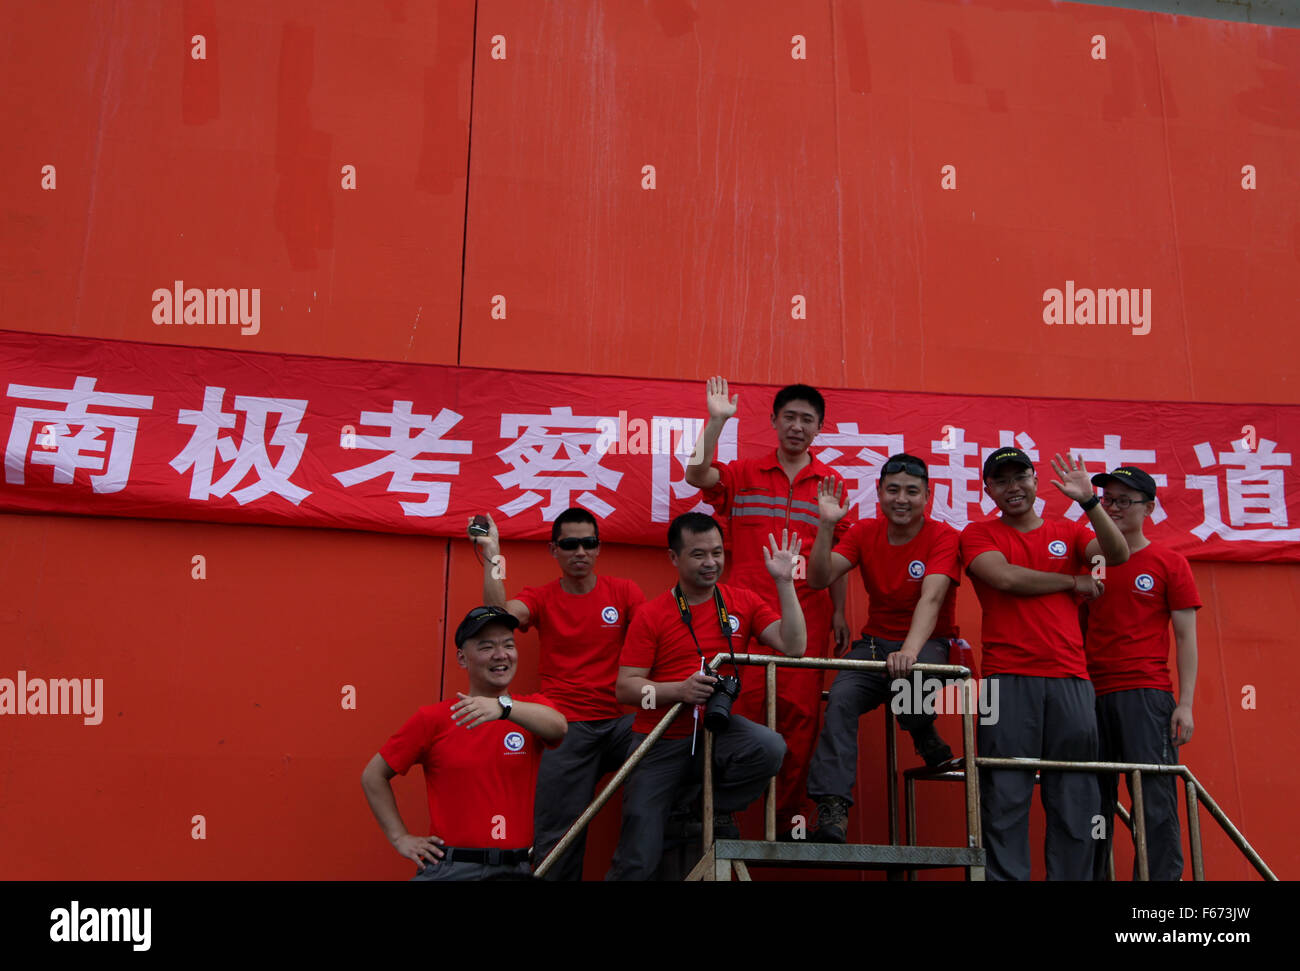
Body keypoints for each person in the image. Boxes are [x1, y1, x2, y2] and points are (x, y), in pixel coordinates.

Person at [684, 376, 853, 837]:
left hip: (808, 621)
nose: (798, 426)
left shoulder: (832, 485)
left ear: (820, 428)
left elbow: (837, 552)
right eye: (790, 417)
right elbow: (697, 475)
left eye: (808, 420)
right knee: (735, 716)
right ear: (775, 421)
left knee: (800, 724)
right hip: (744, 619)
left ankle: (790, 825)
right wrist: (716, 421)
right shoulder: (742, 474)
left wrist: (840, 611)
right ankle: (719, 816)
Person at [959, 448, 1129, 880]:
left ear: (1036, 482)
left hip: (1071, 678)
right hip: (1008, 678)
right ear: (988, 490)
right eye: (1002, 481)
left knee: (1076, 797)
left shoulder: (1069, 532)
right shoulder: (978, 533)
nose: (1013, 488)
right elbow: (1006, 578)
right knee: (1005, 795)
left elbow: (1117, 554)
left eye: (1021, 478)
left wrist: (1090, 502)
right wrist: (1073, 581)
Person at [605, 513, 805, 880]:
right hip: (659, 740)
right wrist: (677, 691)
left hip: (717, 732)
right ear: (674, 558)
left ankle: (706, 806)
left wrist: (784, 583)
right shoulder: (651, 614)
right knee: (638, 856)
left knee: (769, 746)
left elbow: (794, 646)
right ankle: (684, 809)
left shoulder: (742, 600)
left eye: (717, 552)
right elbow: (627, 687)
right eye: (698, 554)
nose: (711, 563)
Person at [472, 507, 646, 880]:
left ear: (599, 549)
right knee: (558, 835)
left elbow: (657, 638)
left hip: (621, 723)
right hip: (564, 727)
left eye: (589, 543)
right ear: (554, 550)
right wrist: (492, 557)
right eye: (570, 544)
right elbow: (497, 615)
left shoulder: (625, 592)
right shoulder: (542, 597)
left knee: (664, 776)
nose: (580, 551)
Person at [804, 454, 962, 842]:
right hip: (873, 645)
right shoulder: (862, 532)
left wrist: (909, 651)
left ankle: (921, 727)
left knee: (911, 681)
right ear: (878, 493)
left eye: (912, 491)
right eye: (893, 490)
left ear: (928, 494)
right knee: (840, 698)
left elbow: (932, 598)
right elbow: (819, 577)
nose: (901, 499)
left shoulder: (944, 536)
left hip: (927, 643)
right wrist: (826, 526)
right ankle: (833, 807)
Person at [360, 606, 567, 881]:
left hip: (514, 868)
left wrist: (503, 708)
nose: (501, 655)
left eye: (508, 645)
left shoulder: (528, 710)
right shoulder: (433, 718)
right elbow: (373, 776)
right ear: (462, 658)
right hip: (452, 869)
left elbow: (559, 727)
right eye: (486, 647)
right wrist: (400, 838)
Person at [1083, 466, 1200, 881]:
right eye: (1107, 500)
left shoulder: (1169, 563)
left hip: (1145, 694)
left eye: (1123, 501)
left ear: (1149, 508)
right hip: (1089, 694)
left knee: (1152, 801)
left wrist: (1184, 705)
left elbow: (1186, 638)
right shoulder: (1093, 558)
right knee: (1090, 802)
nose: (1112, 508)